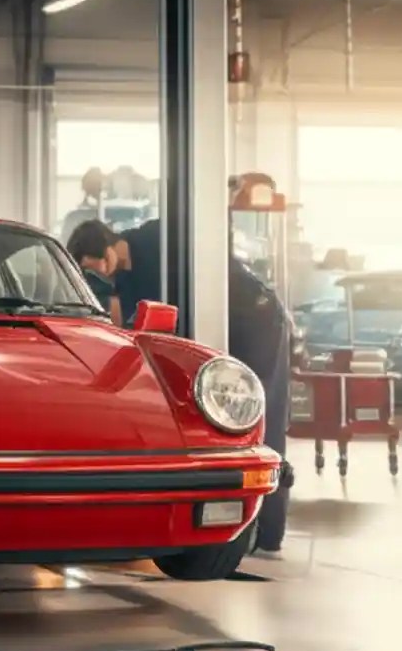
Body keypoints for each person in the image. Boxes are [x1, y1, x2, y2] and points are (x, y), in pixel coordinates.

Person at [67, 217, 293, 557]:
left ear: (105, 246)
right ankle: (235, 528)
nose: (96, 272)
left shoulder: (158, 235)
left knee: (257, 412)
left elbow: (212, 241)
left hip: (256, 317)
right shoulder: (125, 280)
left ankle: (269, 533)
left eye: (92, 264)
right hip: (220, 322)